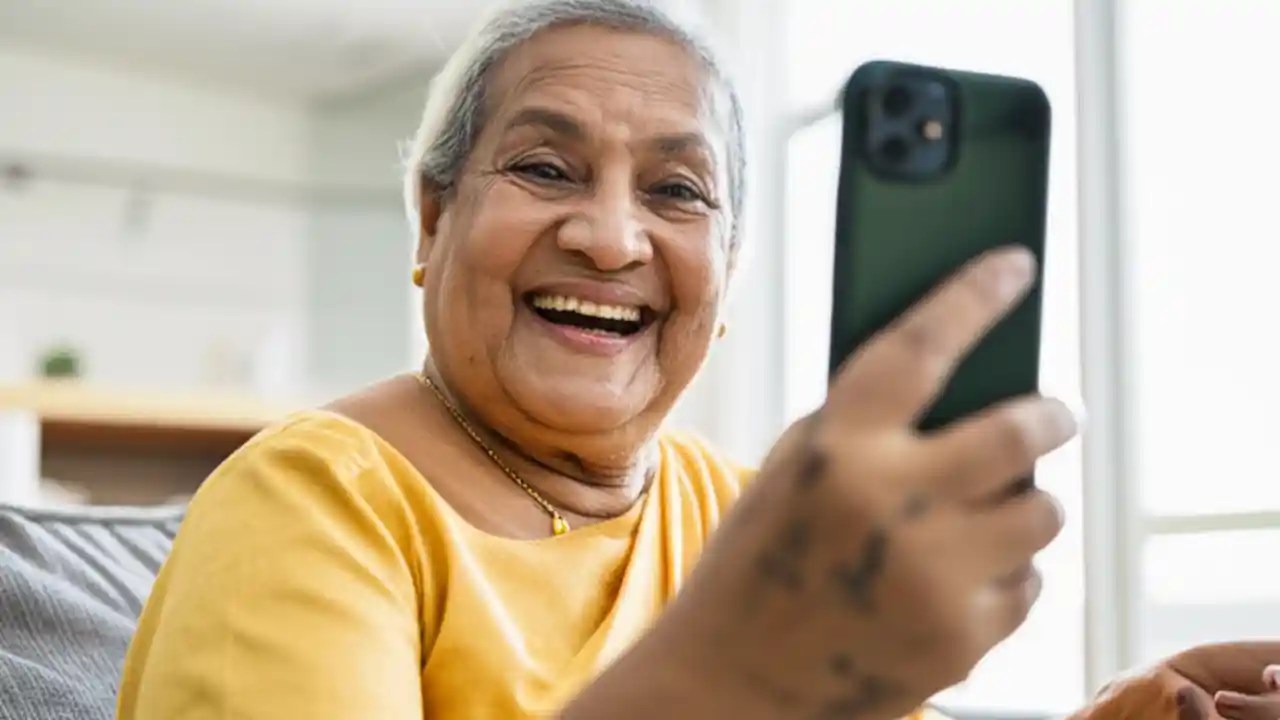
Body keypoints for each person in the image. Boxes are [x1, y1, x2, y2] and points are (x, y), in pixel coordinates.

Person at [113, 1, 1273, 718]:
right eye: (545, 169)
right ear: (428, 223)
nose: (611, 237)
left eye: (676, 191)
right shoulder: (313, 501)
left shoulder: (747, 516)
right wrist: (749, 674)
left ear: (724, 277)